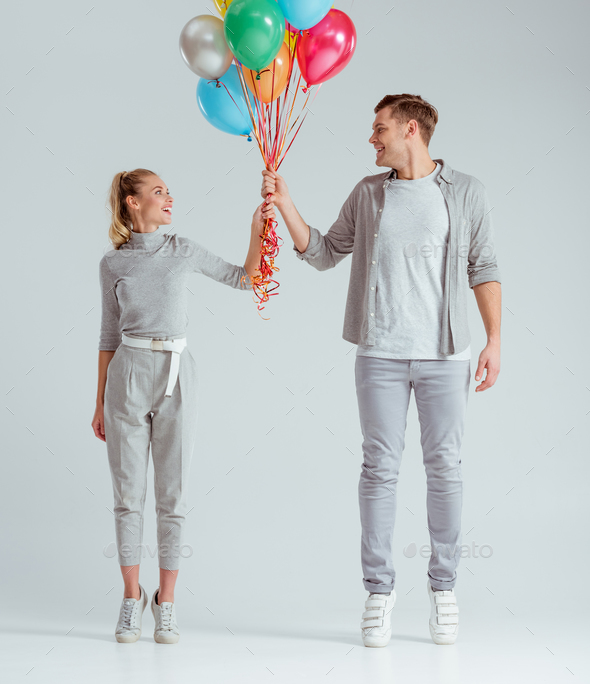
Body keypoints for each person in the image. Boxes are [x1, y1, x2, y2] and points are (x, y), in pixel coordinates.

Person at [261, 94, 501, 647]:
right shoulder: (369, 194)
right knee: (379, 470)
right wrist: (286, 204)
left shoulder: (465, 193)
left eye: (379, 130)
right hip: (381, 354)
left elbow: (483, 266)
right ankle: (379, 592)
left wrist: (493, 340)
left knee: (445, 468)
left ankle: (444, 589)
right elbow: (322, 253)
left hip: (445, 356)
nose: (371, 140)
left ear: (410, 129)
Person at [92, 168, 273, 644]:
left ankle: (165, 601)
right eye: (158, 192)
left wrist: (256, 231)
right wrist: (98, 403)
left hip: (177, 372)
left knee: (172, 496)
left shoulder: (182, 250)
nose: (169, 198)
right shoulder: (113, 264)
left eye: (168, 192)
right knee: (128, 496)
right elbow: (109, 335)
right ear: (132, 203)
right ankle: (132, 597)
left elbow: (244, 277)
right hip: (127, 372)